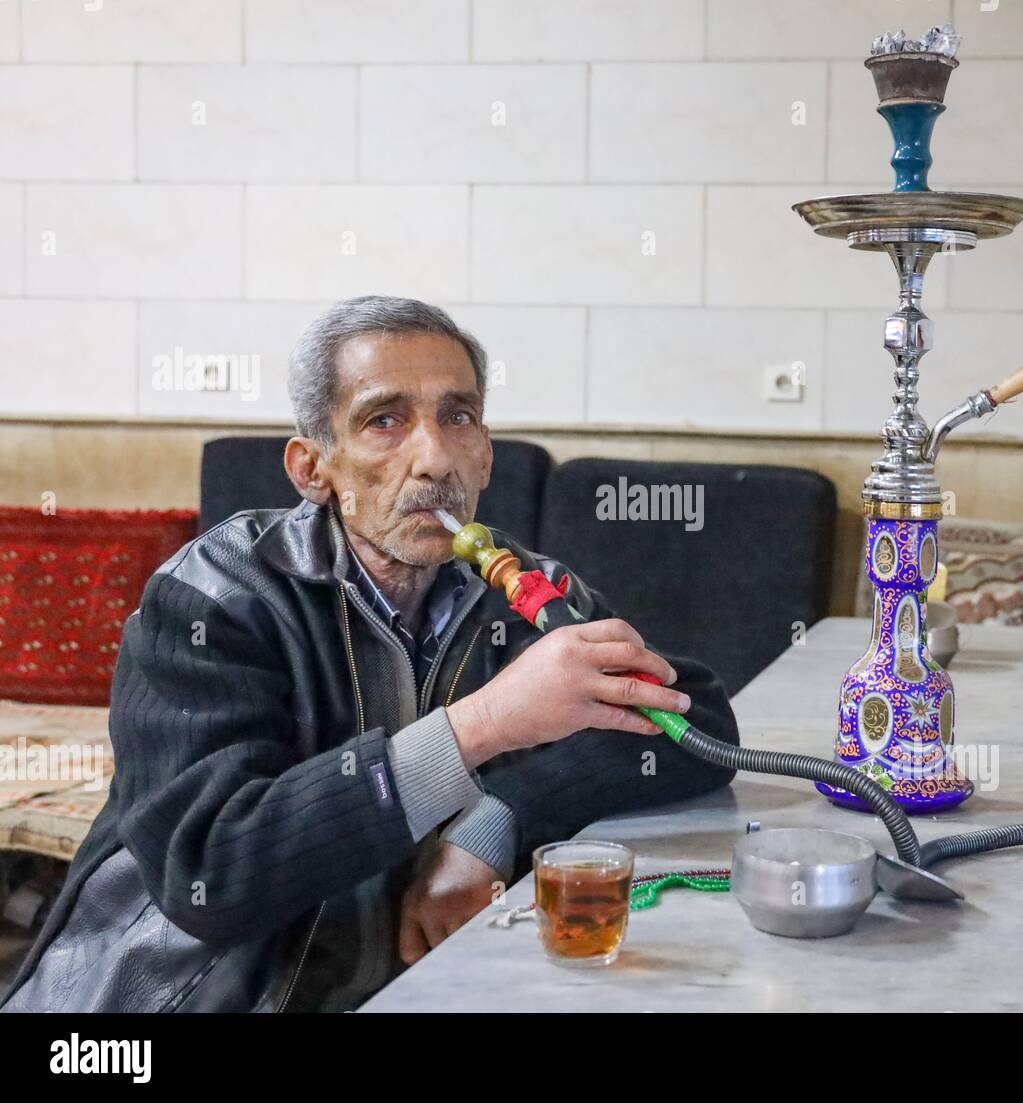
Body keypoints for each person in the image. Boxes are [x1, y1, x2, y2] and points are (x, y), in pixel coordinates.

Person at [2, 296, 738, 1012]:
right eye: (385, 420)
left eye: (458, 416)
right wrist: (483, 724)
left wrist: (498, 818)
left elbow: (696, 721)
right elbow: (210, 871)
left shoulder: (520, 591)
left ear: (486, 454)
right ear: (312, 468)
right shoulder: (209, 600)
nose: (434, 457)